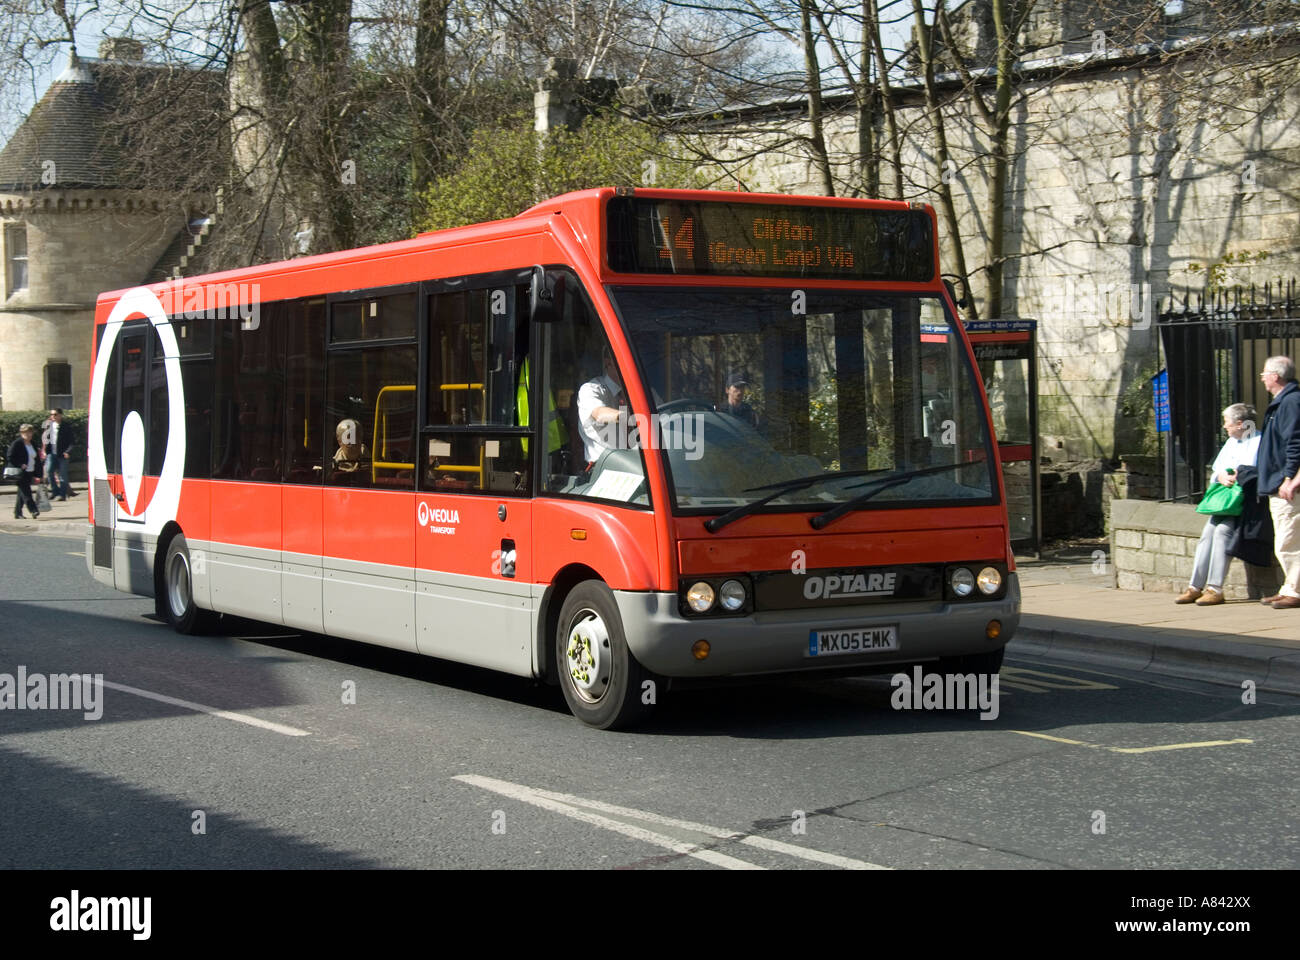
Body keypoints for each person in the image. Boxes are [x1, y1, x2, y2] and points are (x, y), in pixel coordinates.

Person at [1175, 403, 1260, 605]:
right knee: (1207, 534)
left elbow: (1254, 470)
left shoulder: (1259, 441)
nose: (1224, 426)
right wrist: (1220, 475)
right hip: (1225, 500)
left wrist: (1237, 476)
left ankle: (1215, 588)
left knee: (1222, 532)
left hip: (1245, 501)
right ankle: (1195, 587)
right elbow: (1216, 469)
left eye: (1226, 422)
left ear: (1240, 424)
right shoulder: (1231, 442)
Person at [1256, 355, 1300, 609]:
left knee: (1288, 540)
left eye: (1264, 373)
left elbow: (1295, 443)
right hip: (1278, 483)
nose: (1262, 377)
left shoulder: (1290, 402)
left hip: (1286, 486)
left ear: (1275, 376)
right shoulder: (1283, 402)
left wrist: (1288, 478)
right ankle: (1290, 587)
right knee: (1286, 539)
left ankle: (1294, 591)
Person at [576, 343, 627, 467]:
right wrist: (632, 417)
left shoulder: (642, 391)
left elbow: (665, 415)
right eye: (624, 359)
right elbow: (599, 414)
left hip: (639, 466)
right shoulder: (591, 389)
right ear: (608, 363)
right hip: (604, 469)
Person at [8, 423, 42, 519]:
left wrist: (39, 473)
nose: (28, 434)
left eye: (30, 432)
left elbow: (37, 458)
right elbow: (10, 456)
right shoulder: (17, 443)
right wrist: (20, 464)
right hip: (20, 472)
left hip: (30, 471)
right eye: (25, 432)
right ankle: (33, 510)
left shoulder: (33, 444)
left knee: (22, 493)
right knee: (27, 493)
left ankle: (17, 513)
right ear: (21, 433)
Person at [42, 408, 75, 501]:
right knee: (49, 472)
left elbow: (72, 442)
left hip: (62, 454)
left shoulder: (66, 426)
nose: (53, 416)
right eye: (52, 414)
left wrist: (68, 451)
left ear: (60, 415)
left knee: (62, 476)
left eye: (55, 414)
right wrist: (44, 451)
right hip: (51, 453)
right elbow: (45, 439)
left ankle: (62, 494)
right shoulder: (49, 426)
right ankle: (54, 491)